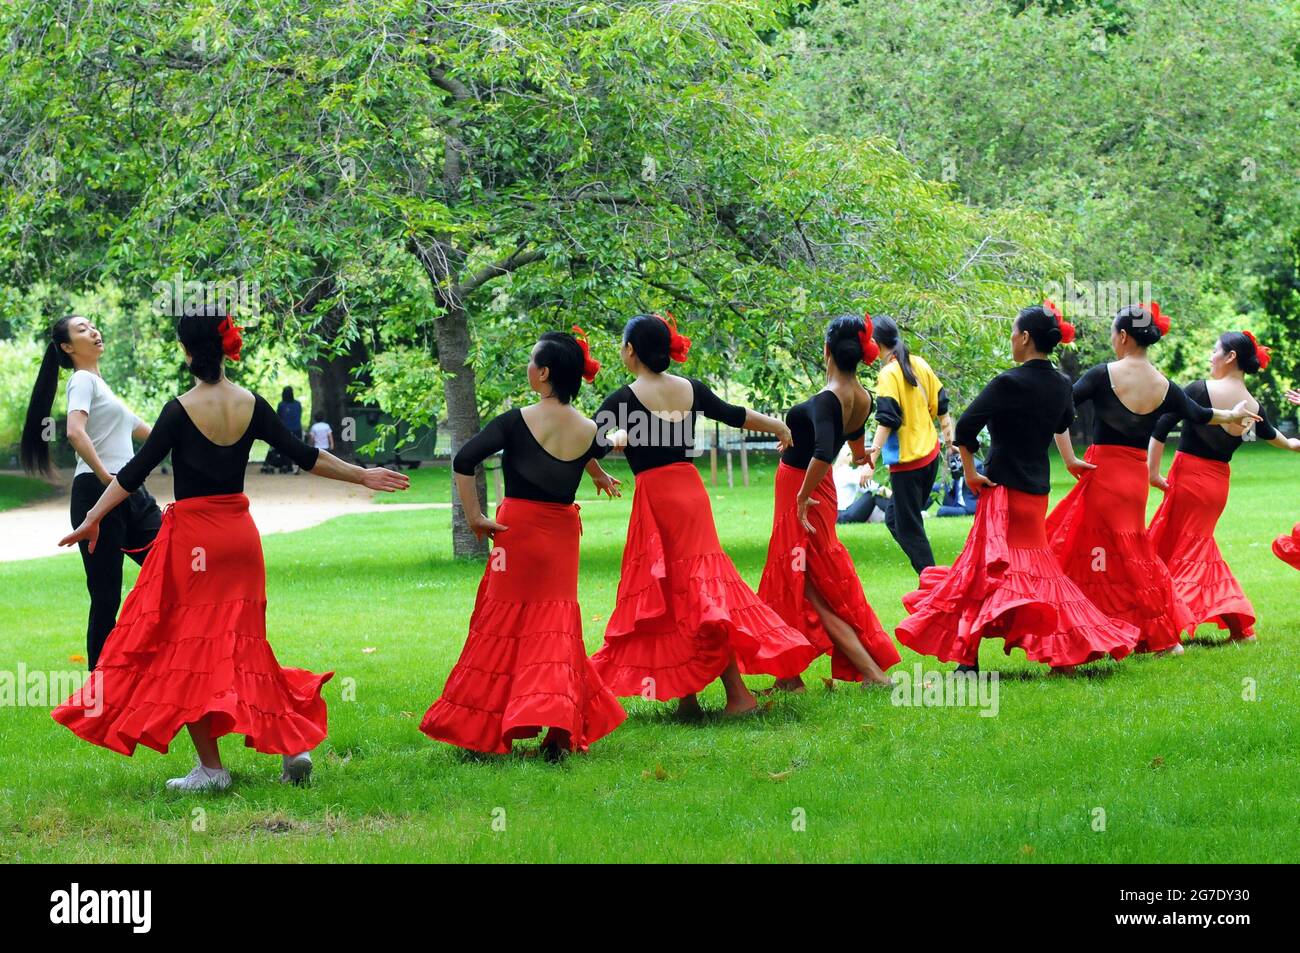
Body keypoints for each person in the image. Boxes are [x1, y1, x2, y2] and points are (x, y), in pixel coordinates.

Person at [53, 309, 409, 791]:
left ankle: (213, 771)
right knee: (246, 648)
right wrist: (361, 474)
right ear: (224, 349)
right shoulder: (250, 403)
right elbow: (306, 456)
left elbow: (133, 474)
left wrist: (92, 518)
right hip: (240, 538)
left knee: (191, 652)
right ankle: (292, 743)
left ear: (186, 352)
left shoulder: (180, 410)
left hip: (196, 541)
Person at [588, 313, 817, 718]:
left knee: (684, 592)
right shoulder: (690, 388)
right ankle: (689, 696)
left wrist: (600, 471)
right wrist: (777, 425)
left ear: (630, 350)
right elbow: (734, 414)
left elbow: (587, 442)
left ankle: (736, 696)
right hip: (691, 493)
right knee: (695, 589)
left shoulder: (624, 399)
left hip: (658, 497)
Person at [897, 303, 1140, 672]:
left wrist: (971, 472)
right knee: (1043, 574)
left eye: (1013, 332)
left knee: (981, 573)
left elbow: (965, 430)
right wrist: (1070, 459)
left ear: (1025, 338)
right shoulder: (1061, 384)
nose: (1011, 339)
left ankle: (968, 662)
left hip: (1003, 491)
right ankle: (1067, 654)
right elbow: (1061, 422)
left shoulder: (1007, 383)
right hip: (1036, 493)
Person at [420, 329, 627, 760]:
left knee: (504, 624)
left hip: (515, 534)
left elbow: (464, 460)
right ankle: (557, 732)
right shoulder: (590, 429)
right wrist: (596, 474)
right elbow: (581, 450)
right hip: (560, 538)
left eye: (533, 361)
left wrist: (475, 516)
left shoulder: (516, 421)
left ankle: (486, 728)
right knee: (555, 627)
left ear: (545, 373)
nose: (529, 368)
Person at [1047, 304, 1260, 655]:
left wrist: (1070, 458)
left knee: (1097, 553)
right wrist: (1231, 414)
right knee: (1128, 554)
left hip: (1104, 475)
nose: (1113, 340)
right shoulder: (1164, 385)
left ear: (1124, 336)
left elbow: (1061, 409)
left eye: (1114, 334)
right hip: (1134, 482)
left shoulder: (1104, 374)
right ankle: (1136, 630)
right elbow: (1202, 414)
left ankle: (1137, 633)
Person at [755, 314, 899, 690]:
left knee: (810, 586)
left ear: (827, 352)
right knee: (800, 578)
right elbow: (851, 445)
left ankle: (872, 673)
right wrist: (797, 441)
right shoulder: (863, 397)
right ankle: (789, 675)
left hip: (802, 491)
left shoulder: (826, 398)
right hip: (819, 489)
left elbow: (822, 450)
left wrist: (802, 496)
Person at [20, 315, 163, 670]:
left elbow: (155, 435)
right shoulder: (81, 380)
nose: (94, 330)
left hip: (131, 493)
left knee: (171, 566)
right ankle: (102, 687)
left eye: (93, 325)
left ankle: (156, 661)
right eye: (82, 329)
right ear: (68, 347)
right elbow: (73, 431)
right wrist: (106, 478)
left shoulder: (102, 385)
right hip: (98, 492)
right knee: (105, 595)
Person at [1147, 331, 1300, 641]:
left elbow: (1161, 427)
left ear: (1231, 357)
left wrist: (1152, 473)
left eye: (1215, 350)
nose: (1210, 356)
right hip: (1217, 486)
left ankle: (1165, 624)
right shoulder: (1253, 406)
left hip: (1189, 479)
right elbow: (1285, 442)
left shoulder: (1199, 390)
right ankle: (1238, 626)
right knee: (1192, 546)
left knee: (1186, 549)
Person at [863, 315, 953, 573]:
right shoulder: (919, 364)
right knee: (895, 519)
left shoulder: (889, 373)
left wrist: (871, 458)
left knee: (909, 527)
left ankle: (934, 584)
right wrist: (949, 442)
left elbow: (888, 418)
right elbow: (942, 405)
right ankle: (930, 579)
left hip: (909, 464)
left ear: (875, 343)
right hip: (930, 458)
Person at [277, 386, 304, 472]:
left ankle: (287, 465)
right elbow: (299, 415)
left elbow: (278, 417)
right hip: (297, 428)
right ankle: (297, 464)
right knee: (297, 447)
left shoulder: (281, 405)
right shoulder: (298, 404)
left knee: (285, 448)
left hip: (285, 429)